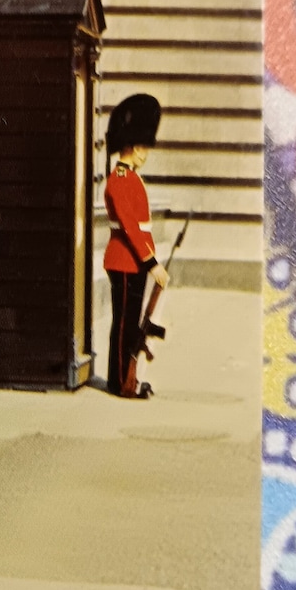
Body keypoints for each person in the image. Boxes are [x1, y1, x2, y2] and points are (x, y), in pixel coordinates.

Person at [103, 94, 169, 399]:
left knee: (132, 324)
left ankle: (125, 378)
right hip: (125, 260)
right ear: (130, 145)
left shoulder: (129, 177)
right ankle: (119, 382)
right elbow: (129, 226)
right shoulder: (119, 179)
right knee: (125, 325)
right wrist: (152, 263)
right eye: (142, 148)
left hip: (133, 260)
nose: (144, 154)